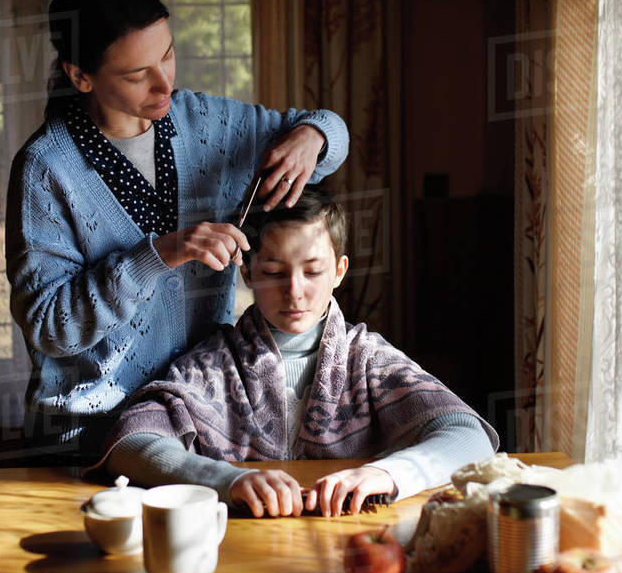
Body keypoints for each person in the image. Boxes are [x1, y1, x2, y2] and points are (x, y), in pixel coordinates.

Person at [6, 0, 349, 461]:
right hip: (87, 434)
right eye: (136, 74)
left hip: (199, 414)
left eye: (167, 55)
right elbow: (48, 327)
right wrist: (160, 253)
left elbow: (330, 132)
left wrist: (311, 137)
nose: (164, 85)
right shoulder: (46, 168)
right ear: (80, 76)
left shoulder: (202, 120)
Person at [89, 186, 499, 517]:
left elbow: (469, 436)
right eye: (273, 273)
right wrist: (224, 480)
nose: (295, 291)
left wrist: (388, 474)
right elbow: (130, 441)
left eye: (313, 271)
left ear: (339, 271)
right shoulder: (213, 365)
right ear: (247, 273)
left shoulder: (368, 359)